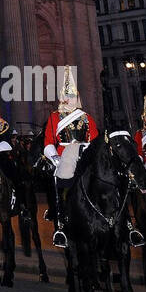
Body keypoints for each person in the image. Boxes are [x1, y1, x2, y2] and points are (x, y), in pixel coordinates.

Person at [42, 65, 98, 249]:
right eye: (66, 96)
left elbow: (95, 140)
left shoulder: (86, 117)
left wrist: (87, 150)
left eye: (72, 96)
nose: (69, 99)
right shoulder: (54, 117)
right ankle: (61, 223)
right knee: (63, 180)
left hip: (85, 154)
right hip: (64, 156)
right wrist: (55, 158)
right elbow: (49, 141)